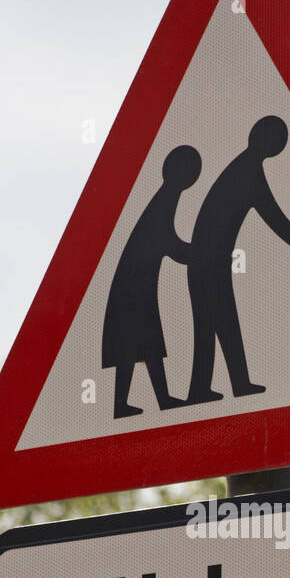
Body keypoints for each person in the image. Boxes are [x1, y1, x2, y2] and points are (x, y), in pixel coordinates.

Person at [185, 116, 290, 405]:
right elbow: (273, 216)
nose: (278, 145)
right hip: (209, 262)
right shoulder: (248, 172)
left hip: (204, 260)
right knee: (222, 322)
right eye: (276, 140)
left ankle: (204, 389)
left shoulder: (243, 166)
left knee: (210, 325)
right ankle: (237, 385)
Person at [102, 145, 201, 418]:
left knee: (146, 343)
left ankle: (160, 399)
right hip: (133, 289)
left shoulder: (166, 196)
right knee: (132, 346)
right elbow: (166, 240)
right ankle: (123, 405)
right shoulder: (166, 198)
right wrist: (199, 252)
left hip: (138, 286)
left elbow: (166, 241)